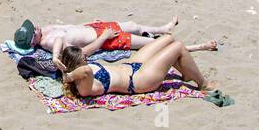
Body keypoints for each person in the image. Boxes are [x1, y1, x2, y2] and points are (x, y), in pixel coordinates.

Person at [56, 35, 215, 99]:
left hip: (131, 65)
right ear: (75, 65)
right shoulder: (84, 85)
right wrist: (68, 76)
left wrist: (56, 58)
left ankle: (186, 73)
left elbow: (60, 39)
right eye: (83, 58)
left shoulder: (78, 66)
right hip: (138, 80)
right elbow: (86, 70)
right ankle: (203, 84)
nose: (86, 58)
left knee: (168, 39)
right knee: (178, 46)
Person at [14, 17, 216, 56]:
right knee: (150, 44)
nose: (37, 26)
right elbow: (81, 53)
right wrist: (104, 38)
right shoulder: (49, 43)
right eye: (34, 30)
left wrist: (90, 23)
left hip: (97, 28)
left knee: (134, 25)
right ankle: (196, 47)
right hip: (106, 39)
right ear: (33, 39)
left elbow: (70, 27)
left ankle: (164, 28)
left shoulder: (47, 30)